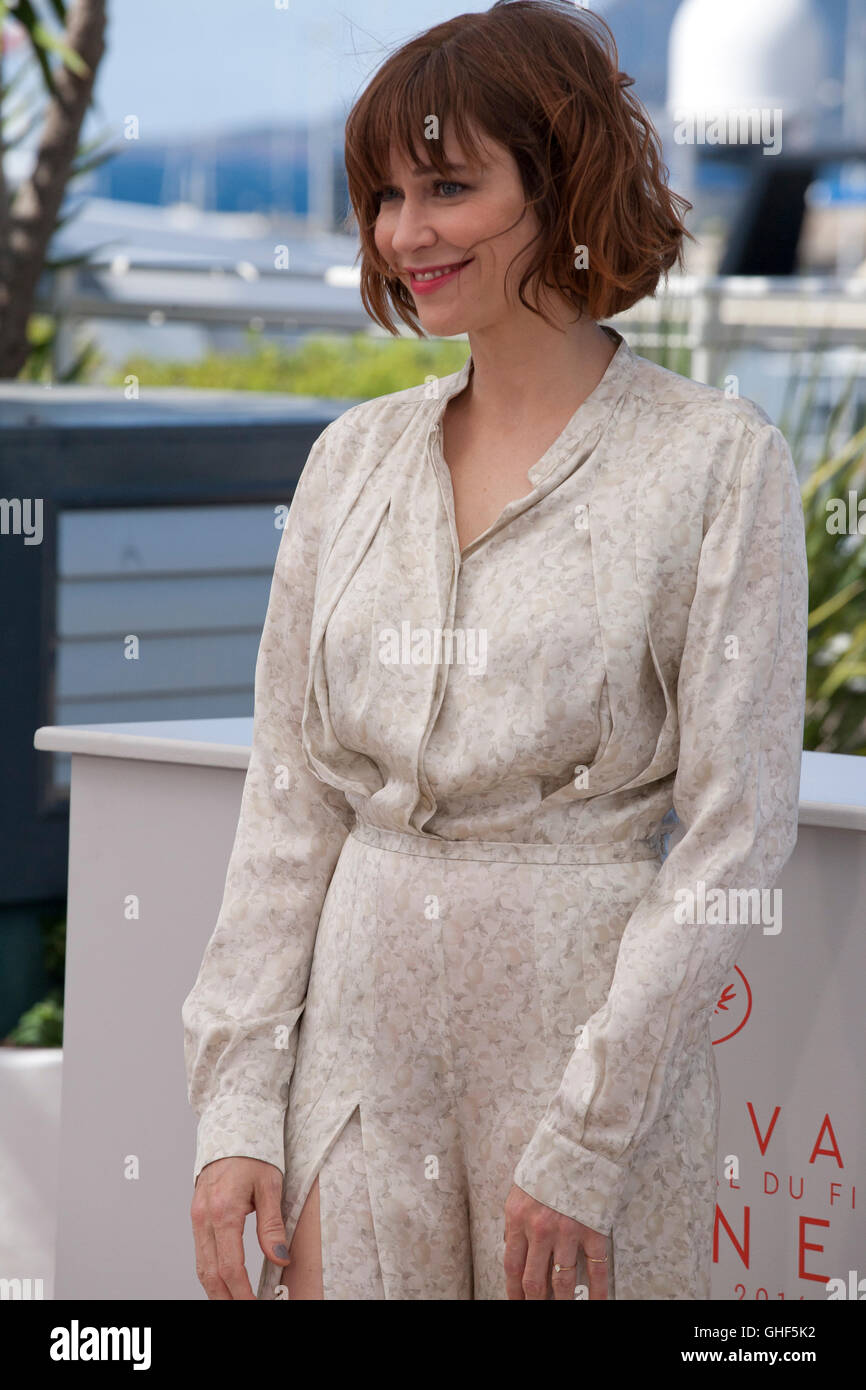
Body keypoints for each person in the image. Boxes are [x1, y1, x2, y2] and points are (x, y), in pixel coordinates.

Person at [182, 0, 808, 1301]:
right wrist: (237, 1103)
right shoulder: (349, 460)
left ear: (560, 176)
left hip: (580, 1074)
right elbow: (288, 806)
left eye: (447, 185)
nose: (402, 230)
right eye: (382, 195)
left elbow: (735, 828)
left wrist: (587, 1135)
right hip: (353, 1072)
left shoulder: (711, 458)